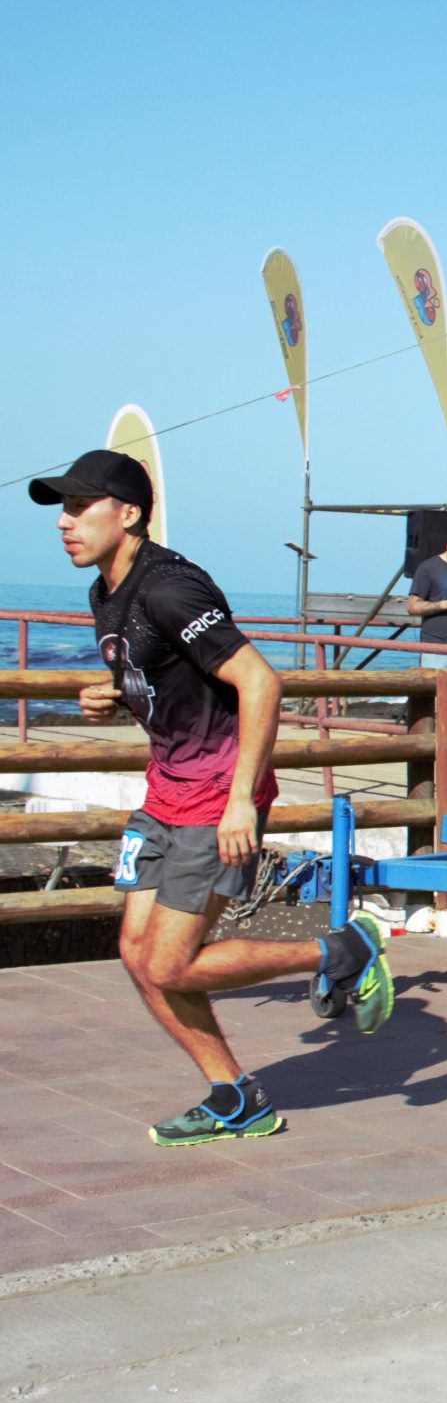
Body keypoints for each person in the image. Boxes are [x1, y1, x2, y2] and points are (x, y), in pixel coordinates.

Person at [35, 448, 393, 1147]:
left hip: (214, 794)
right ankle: (236, 1096)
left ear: (128, 514)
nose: (65, 522)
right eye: (62, 510)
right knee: (138, 957)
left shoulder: (171, 587)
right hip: (166, 790)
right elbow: (172, 677)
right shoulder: (106, 592)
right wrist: (116, 696)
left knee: (171, 962)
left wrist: (239, 803)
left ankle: (343, 948)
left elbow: (260, 681)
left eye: (80, 507)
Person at [406, 529, 447, 667]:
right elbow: (412, 606)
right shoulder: (428, 568)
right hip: (435, 647)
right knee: (433, 687)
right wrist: (446, 604)